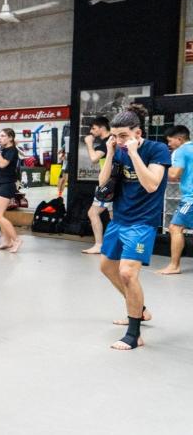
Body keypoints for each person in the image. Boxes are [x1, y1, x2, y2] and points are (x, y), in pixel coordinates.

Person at [98, 107, 170, 350]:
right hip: (119, 218)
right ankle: (140, 309)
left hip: (143, 222)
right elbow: (103, 182)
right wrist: (109, 153)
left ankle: (134, 333)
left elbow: (151, 184)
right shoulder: (116, 150)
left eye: (123, 136)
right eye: (115, 136)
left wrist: (135, 153)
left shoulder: (156, 150)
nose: (118, 141)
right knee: (107, 267)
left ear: (137, 133)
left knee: (128, 273)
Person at [157, 125, 193, 275]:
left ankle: (174, 266)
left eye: (170, 141)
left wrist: (160, 166)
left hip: (191, 197)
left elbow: (174, 174)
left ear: (179, 139)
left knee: (175, 227)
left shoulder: (181, 151)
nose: (169, 144)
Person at [82, 117, 112, 255]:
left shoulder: (108, 142)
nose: (91, 131)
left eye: (93, 128)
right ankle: (103, 245)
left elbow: (94, 158)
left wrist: (89, 143)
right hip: (108, 185)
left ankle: (103, 245)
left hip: (110, 185)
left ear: (101, 127)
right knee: (105, 215)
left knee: (97, 213)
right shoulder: (107, 141)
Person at [0, 128, 22, 252]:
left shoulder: (12, 150)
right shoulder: (3, 150)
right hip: (0, 183)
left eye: (3, 136)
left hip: (7, 184)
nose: (0, 138)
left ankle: (16, 240)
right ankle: (7, 241)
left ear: (10, 138)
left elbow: (3, 164)